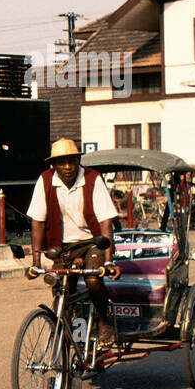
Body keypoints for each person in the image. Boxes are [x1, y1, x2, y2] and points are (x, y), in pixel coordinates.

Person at [27, 139, 121, 347]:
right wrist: (36, 262)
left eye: (72, 161)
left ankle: (104, 322)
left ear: (78, 161)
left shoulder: (92, 179)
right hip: (61, 245)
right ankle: (71, 336)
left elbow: (105, 222)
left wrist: (108, 261)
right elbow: (38, 221)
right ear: (54, 165)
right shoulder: (45, 181)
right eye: (62, 163)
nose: (68, 167)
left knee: (94, 279)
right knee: (60, 289)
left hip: (92, 242)